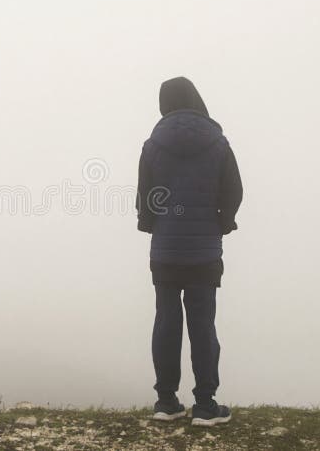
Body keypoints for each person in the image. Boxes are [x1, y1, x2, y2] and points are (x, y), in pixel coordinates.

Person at [136, 76, 243, 427]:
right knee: (202, 324)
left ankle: (166, 402)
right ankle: (205, 406)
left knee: (166, 322)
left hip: (165, 250)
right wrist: (223, 222)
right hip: (204, 251)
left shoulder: (153, 145)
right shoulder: (218, 143)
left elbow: (145, 198)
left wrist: (154, 225)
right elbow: (234, 191)